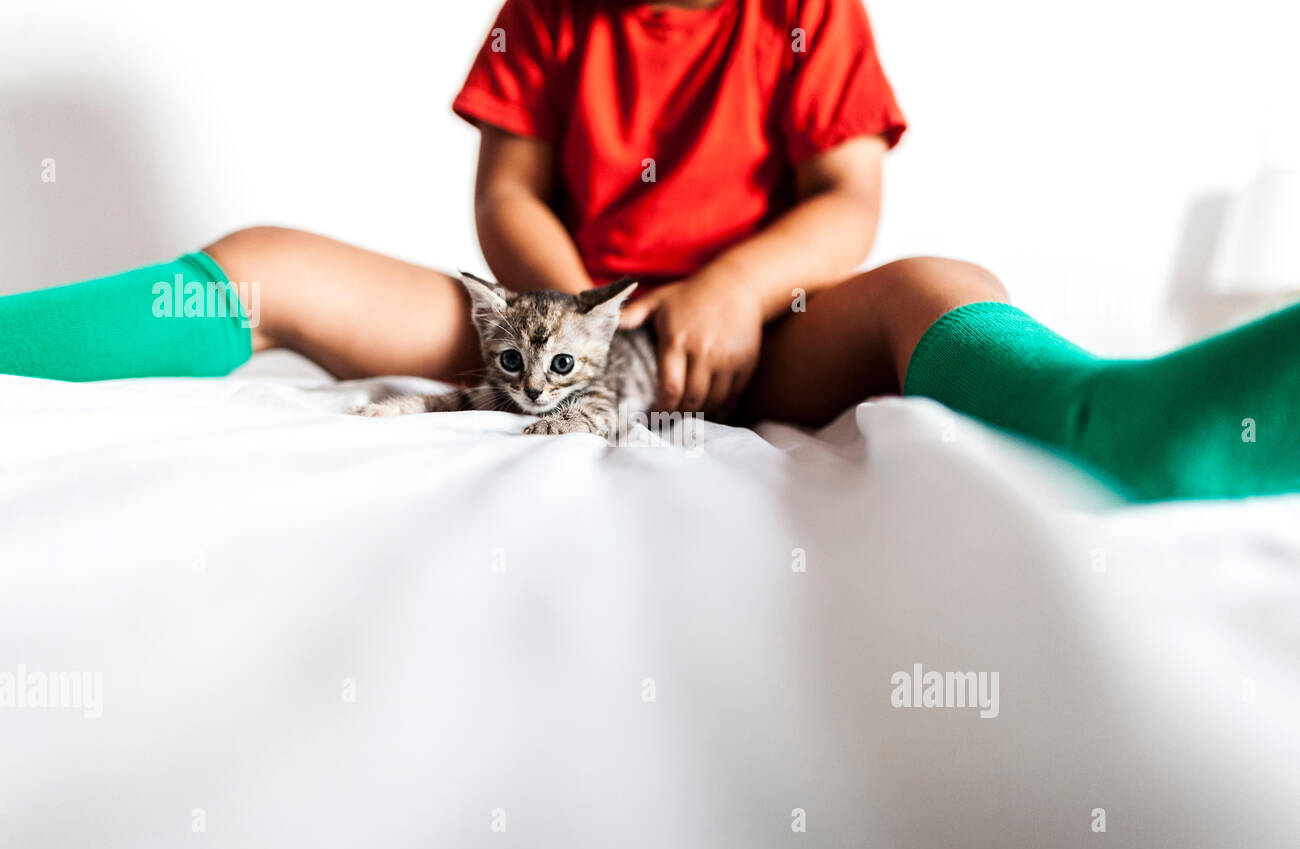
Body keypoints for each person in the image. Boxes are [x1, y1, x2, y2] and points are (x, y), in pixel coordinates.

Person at [2, 0, 1298, 502]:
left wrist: (734, 288)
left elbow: (849, 197)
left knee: (936, 288)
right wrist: (568, 310)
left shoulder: (805, 14)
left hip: (758, 337)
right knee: (271, 255)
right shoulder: (548, 15)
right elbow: (507, 186)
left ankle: (1114, 416)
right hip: (555, 319)